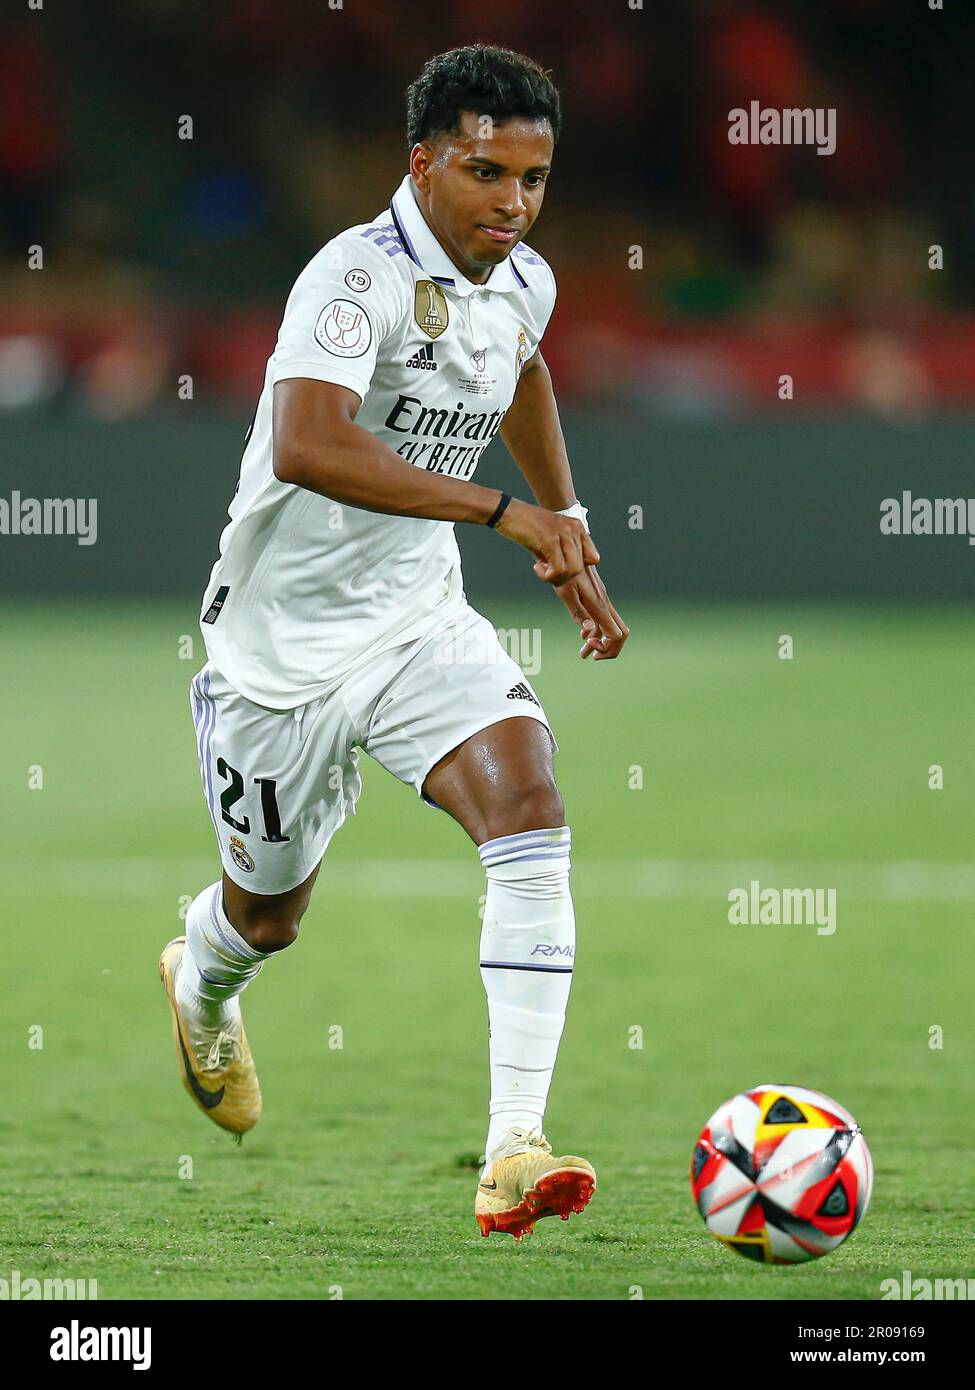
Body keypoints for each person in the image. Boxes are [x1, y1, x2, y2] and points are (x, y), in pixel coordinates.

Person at [159, 43, 628, 1241]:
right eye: (485, 172)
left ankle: (515, 1145)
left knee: (528, 806)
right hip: (280, 649)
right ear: (422, 163)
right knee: (267, 918)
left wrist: (562, 523)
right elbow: (312, 440)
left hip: (417, 619)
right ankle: (200, 982)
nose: (511, 205)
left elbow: (518, 372)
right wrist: (498, 510)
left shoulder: (523, 279)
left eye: (533, 179)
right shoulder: (350, 279)